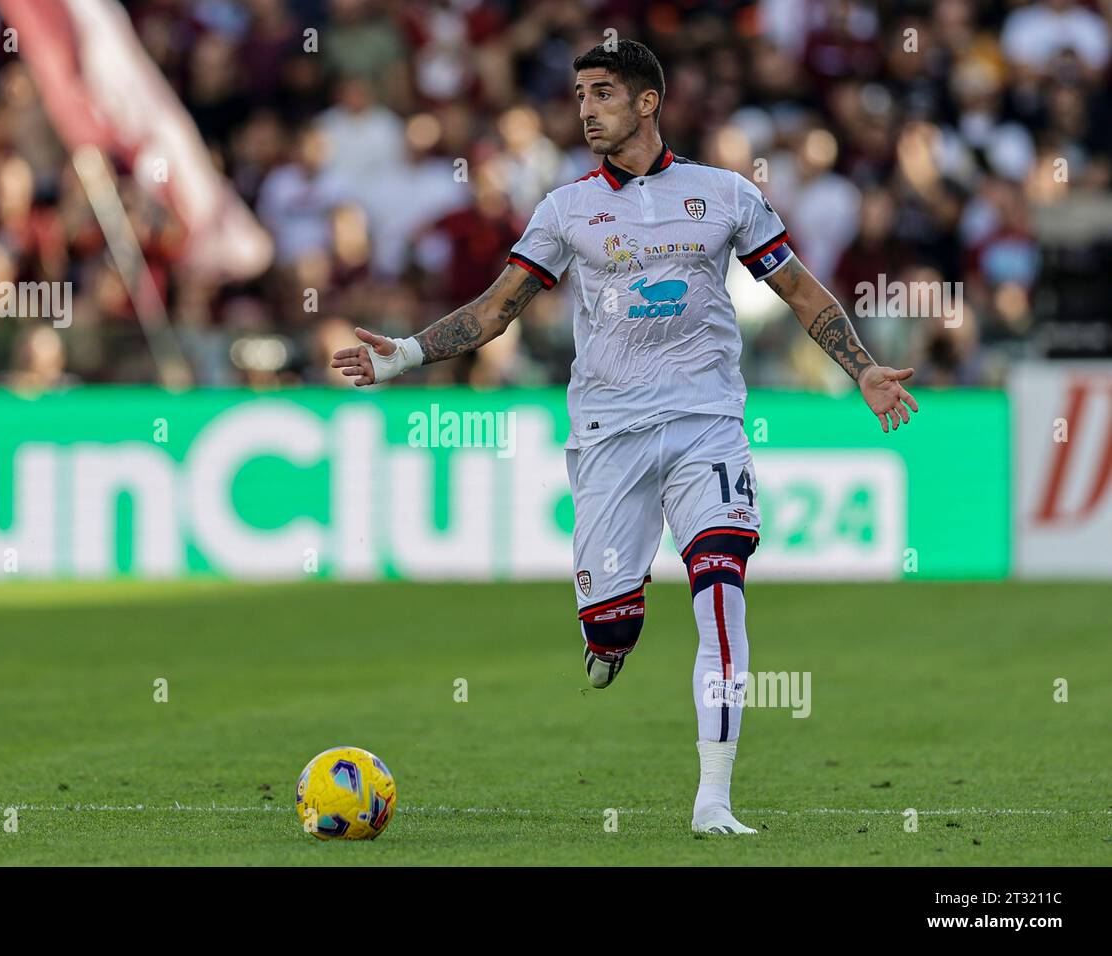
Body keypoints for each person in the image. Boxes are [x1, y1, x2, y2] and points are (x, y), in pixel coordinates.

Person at [330, 39, 918, 835]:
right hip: (610, 433)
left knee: (721, 585)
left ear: (647, 102)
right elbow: (496, 307)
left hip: (706, 422)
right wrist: (403, 354)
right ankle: (608, 636)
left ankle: (714, 799)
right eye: (578, 95)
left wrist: (862, 370)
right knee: (612, 629)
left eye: (601, 92)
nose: (585, 108)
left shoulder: (725, 195)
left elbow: (799, 288)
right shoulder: (566, 208)